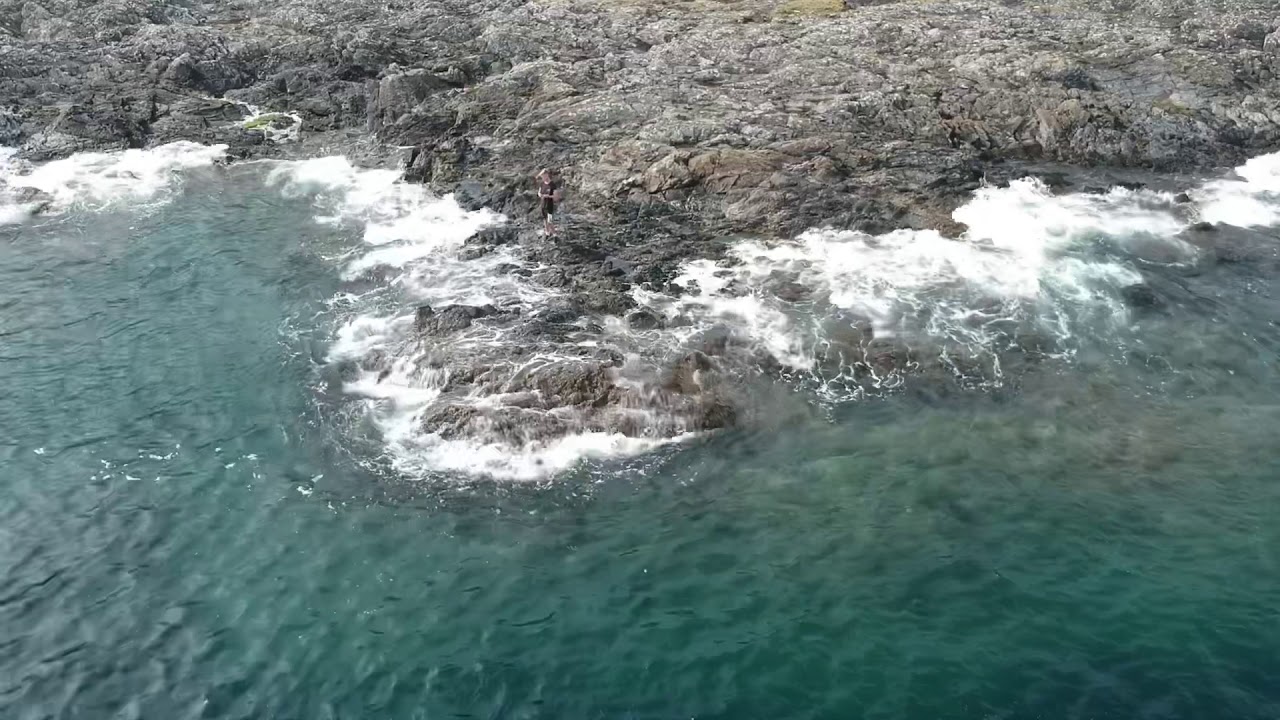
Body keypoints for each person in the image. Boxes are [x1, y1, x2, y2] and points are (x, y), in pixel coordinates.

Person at [536, 168, 562, 236]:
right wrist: (540, 195)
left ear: (547, 175)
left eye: (543, 176)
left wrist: (548, 196)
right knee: (544, 219)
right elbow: (539, 192)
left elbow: (556, 197)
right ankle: (547, 232)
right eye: (541, 177)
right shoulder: (542, 184)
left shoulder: (552, 185)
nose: (542, 178)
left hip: (549, 205)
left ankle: (554, 233)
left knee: (549, 221)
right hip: (543, 204)